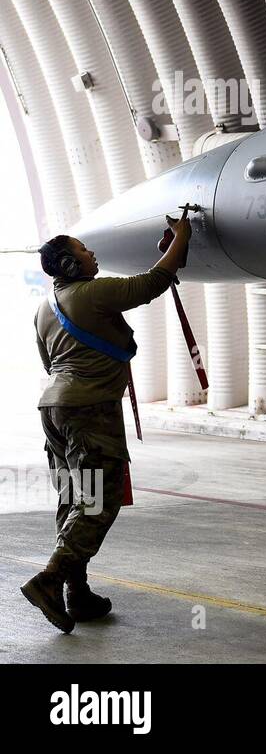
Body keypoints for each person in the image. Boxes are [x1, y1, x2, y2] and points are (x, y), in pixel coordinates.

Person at [21, 214, 192, 633]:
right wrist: (182, 239)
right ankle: (48, 581)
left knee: (74, 500)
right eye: (83, 250)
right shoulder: (93, 294)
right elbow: (151, 283)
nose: (91, 253)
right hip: (90, 412)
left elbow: (50, 365)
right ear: (68, 265)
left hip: (54, 413)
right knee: (97, 501)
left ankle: (76, 594)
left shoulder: (45, 309)